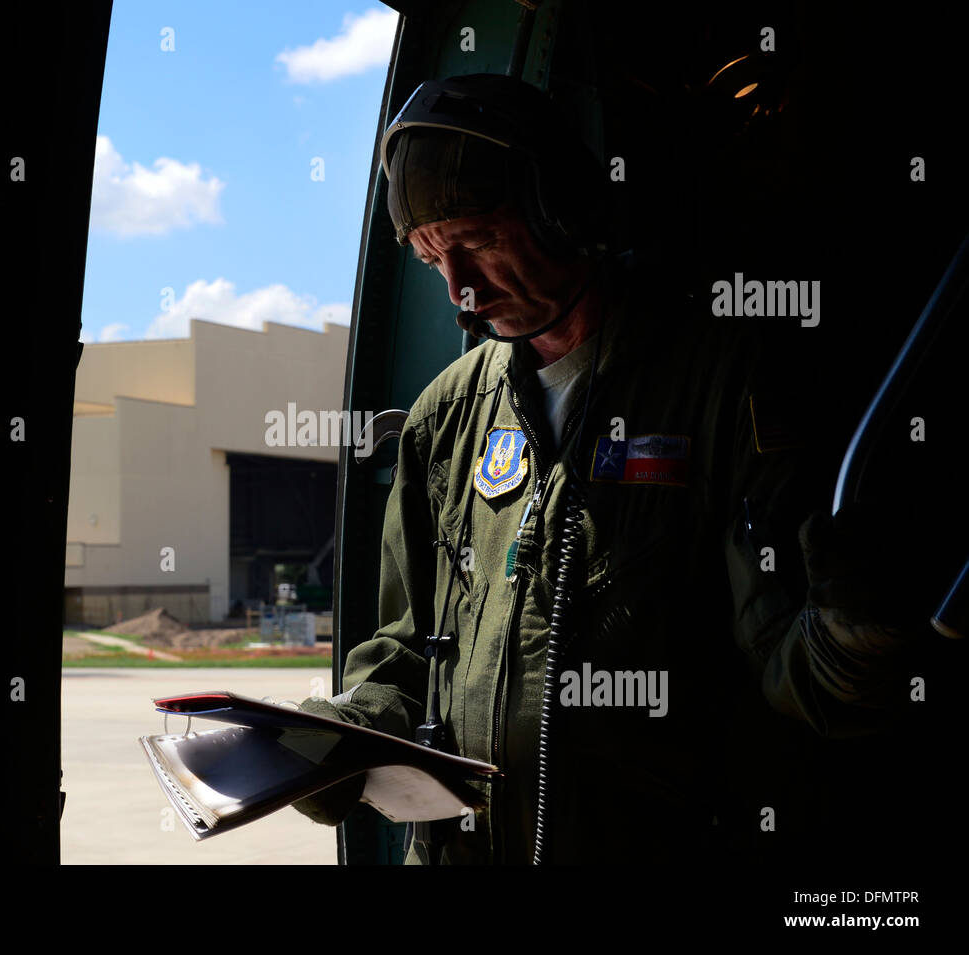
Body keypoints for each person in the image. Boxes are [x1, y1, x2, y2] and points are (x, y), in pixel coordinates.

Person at [292, 73, 915, 864]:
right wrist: (336, 739)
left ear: (562, 208)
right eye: (429, 259)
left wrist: (855, 634)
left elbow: (797, 676)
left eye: (476, 240)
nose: (459, 290)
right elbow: (408, 649)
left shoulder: (725, 381)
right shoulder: (445, 413)